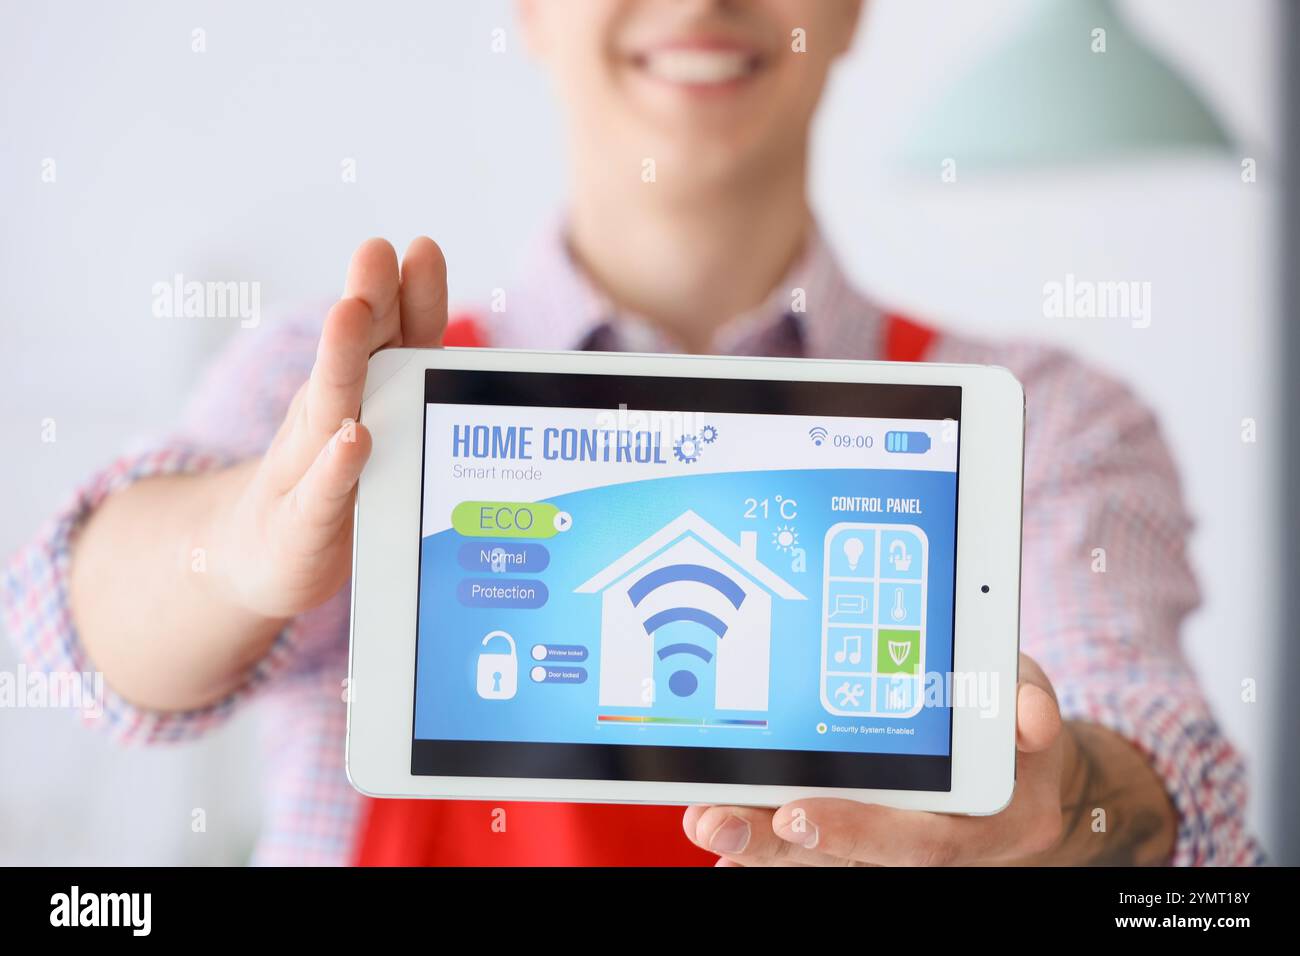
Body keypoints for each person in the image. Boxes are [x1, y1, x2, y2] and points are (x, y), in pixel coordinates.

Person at [1, 0, 1260, 866]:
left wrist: (1065, 807)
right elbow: (66, 646)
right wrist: (248, 541)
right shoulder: (342, 383)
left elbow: (1180, 801)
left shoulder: (1044, 421)